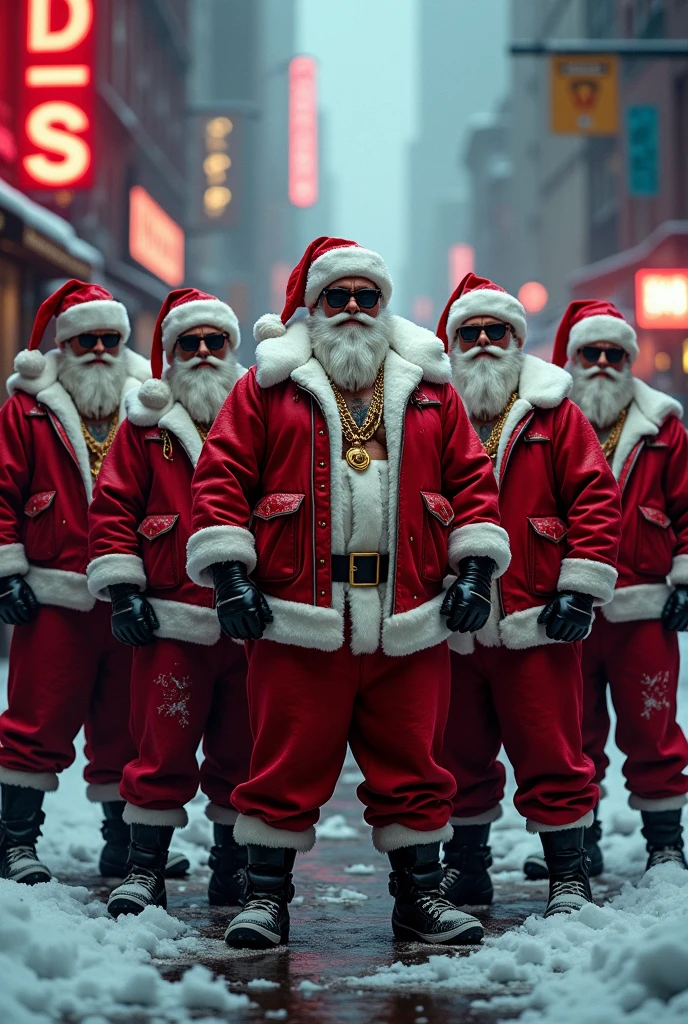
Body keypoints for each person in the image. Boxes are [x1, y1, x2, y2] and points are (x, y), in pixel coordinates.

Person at [187, 236, 511, 948]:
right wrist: (231, 574)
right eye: (340, 297)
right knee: (281, 765)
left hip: (408, 614)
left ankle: (420, 900)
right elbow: (219, 484)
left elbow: (474, 490)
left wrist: (478, 570)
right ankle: (265, 899)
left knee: (416, 768)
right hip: (299, 615)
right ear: (314, 306)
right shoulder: (265, 388)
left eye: (369, 297)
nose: (356, 309)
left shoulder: (430, 389)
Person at [437, 273, 621, 917]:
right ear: (452, 343)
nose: (484, 343)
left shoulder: (557, 413)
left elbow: (596, 504)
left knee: (554, 752)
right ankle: (467, 873)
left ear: (518, 341)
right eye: (471, 332)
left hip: (536, 615)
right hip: (453, 623)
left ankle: (568, 876)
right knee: (457, 757)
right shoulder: (431, 412)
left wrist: (579, 590)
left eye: (498, 332)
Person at [0, 280, 187, 883]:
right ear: (64, 345)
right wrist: (7, 571)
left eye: (111, 338)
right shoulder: (27, 407)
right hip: (54, 590)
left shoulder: (150, 402)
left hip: (133, 592)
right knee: (36, 719)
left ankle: (123, 844)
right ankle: (15, 842)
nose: (100, 350)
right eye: (86, 340)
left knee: (127, 725)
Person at [87, 288, 253, 916]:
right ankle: (144, 870)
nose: (206, 353)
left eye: (217, 342)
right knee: (159, 747)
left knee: (243, 753)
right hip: (169, 615)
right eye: (192, 342)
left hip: (248, 619)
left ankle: (232, 871)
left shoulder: (260, 411)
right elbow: (113, 510)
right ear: (170, 352)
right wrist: (125, 590)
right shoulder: (144, 423)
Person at [528, 298, 688, 877]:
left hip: (643, 605)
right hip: (565, 606)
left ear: (629, 359)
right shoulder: (545, 419)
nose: (601, 362)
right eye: (589, 352)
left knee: (654, 725)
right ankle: (581, 839)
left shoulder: (663, 426)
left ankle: (666, 844)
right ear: (571, 358)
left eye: (613, 353)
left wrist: (686, 578)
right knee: (575, 730)